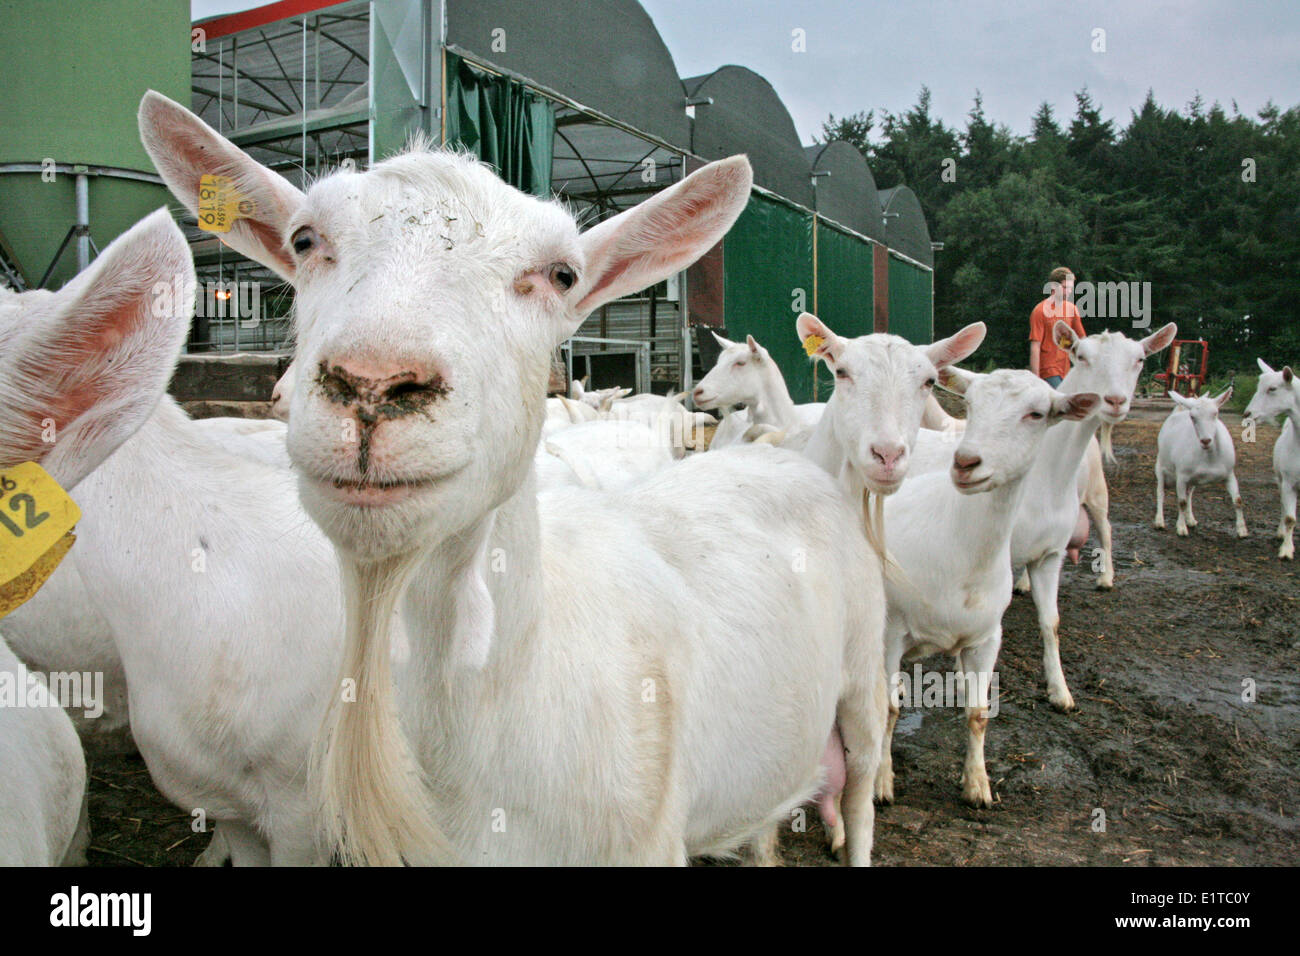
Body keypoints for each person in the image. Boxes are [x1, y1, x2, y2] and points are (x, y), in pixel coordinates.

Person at [1029, 267, 1085, 387]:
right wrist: (1035, 378)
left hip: (1066, 369)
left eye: (1070, 288)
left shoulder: (1072, 309)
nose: (1068, 291)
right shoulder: (1040, 311)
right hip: (1048, 369)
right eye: (1065, 288)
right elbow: (1035, 345)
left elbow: (1083, 340)